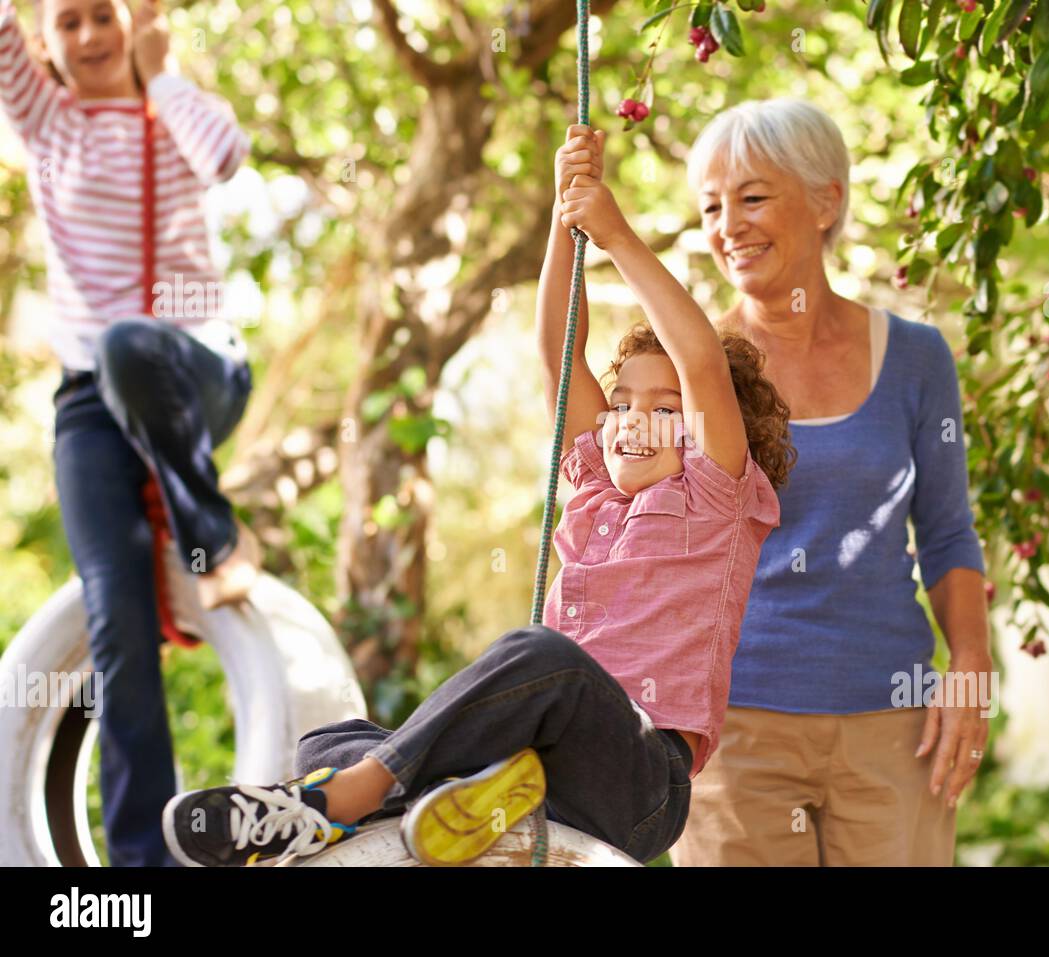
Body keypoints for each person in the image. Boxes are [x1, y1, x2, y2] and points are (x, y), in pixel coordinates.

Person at [158, 123, 793, 867]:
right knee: (330, 739)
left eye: (664, 409)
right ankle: (422, 799)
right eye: (622, 402)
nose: (631, 422)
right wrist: (567, 217)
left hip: (638, 784)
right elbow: (559, 343)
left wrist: (615, 232)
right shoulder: (593, 490)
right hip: (543, 772)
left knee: (540, 658)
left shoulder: (714, 502)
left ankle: (345, 799)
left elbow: (700, 363)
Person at [669, 98, 993, 867]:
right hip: (729, 728)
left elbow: (947, 531)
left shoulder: (916, 357)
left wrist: (971, 666)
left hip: (894, 722)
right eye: (711, 207)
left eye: (752, 197)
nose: (728, 226)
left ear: (827, 199)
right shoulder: (691, 364)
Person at [0, 0, 256, 865]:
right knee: (115, 614)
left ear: (135, 17)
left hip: (191, 370)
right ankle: (144, 865)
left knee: (129, 341)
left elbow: (224, 157)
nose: (88, 36)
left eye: (102, 15)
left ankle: (211, 536)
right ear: (46, 40)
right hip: (91, 410)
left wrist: (161, 68)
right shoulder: (46, 120)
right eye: (66, 23)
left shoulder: (180, 109)